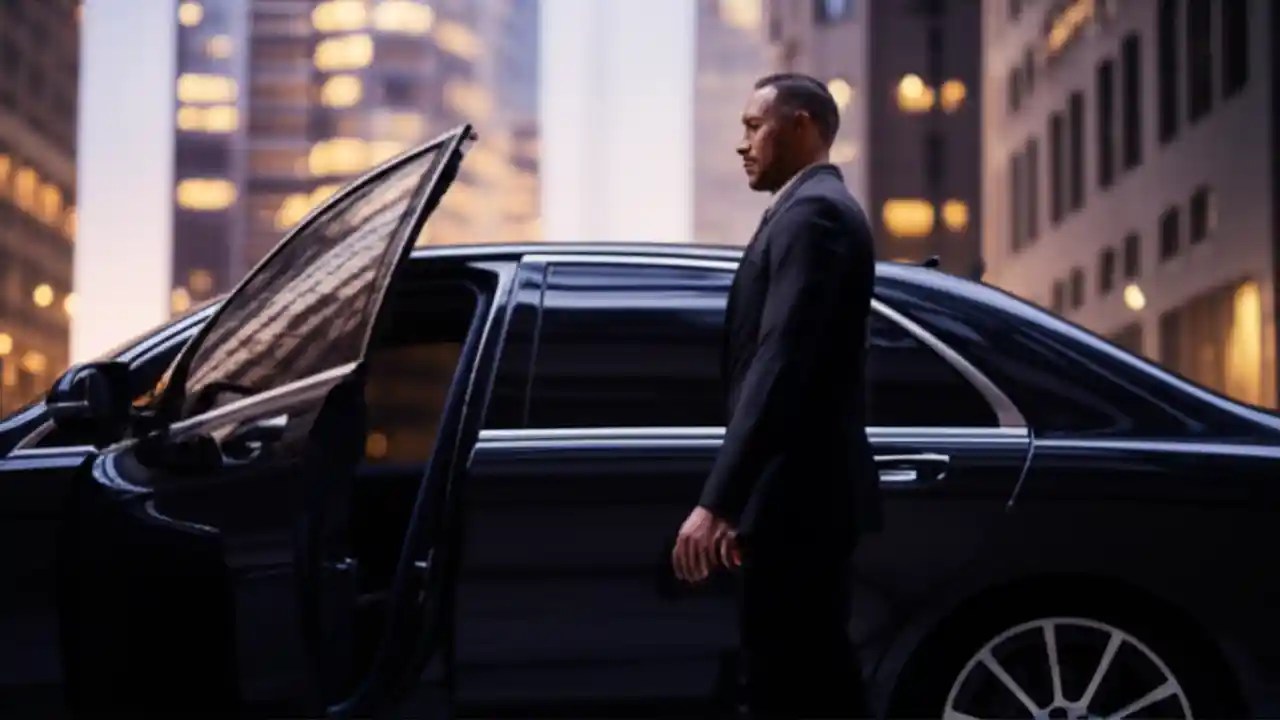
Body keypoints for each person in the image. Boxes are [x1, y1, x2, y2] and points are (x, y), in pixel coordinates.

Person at [671, 72, 882, 718]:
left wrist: (719, 501)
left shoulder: (814, 214)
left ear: (801, 126)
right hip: (796, 498)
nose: (743, 144)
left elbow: (781, 360)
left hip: (801, 499)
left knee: (792, 680)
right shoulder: (807, 210)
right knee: (808, 678)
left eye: (753, 126)